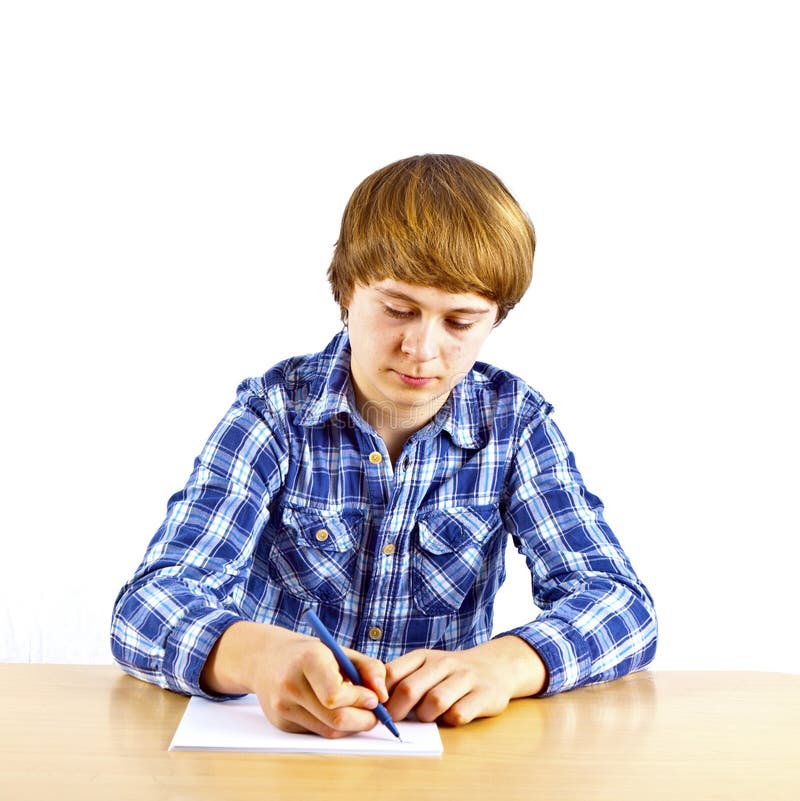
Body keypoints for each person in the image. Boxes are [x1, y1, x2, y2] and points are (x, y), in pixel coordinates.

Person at [111, 153, 657, 739]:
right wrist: (260, 658)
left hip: (445, 755)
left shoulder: (514, 423)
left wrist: (505, 665)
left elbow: (620, 604)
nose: (422, 348)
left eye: (460, 322)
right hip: (282, 748)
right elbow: (149, 605)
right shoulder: (273, 413)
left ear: (496, 319)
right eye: (399, 310)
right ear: (347, 293)